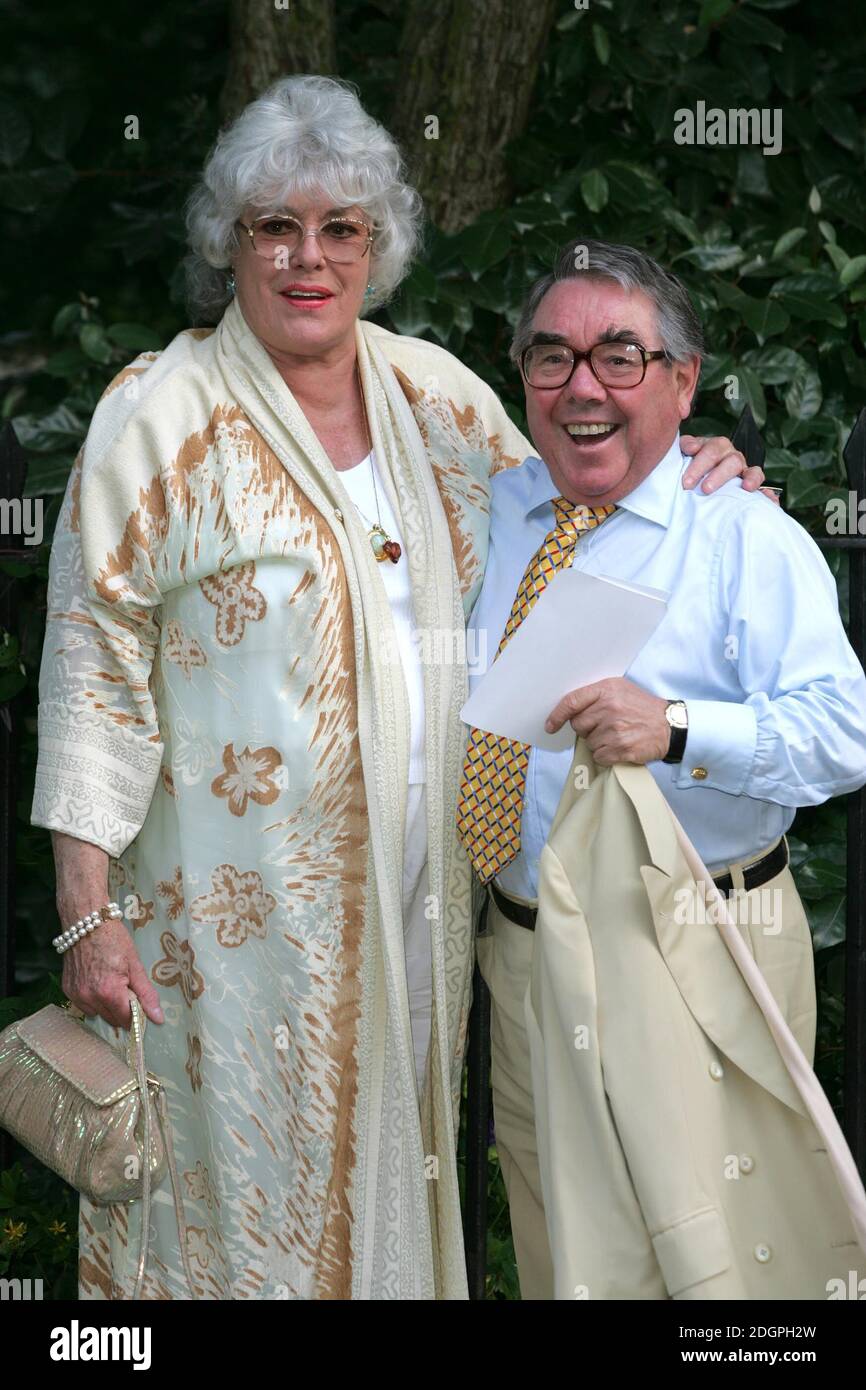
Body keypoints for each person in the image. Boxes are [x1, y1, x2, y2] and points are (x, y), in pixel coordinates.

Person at [30, 79, 759, 1301]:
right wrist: (84, 911)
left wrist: (684, 458)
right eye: (275, 226)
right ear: (232, 243)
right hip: (222, 927)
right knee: (234, 1203)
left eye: (341, 229)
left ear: (377, 247)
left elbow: (573, 512)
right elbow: (90, 661)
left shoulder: (435, 396)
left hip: (420, 904)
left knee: (394, 1180)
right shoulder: (156, 417)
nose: (307, 258)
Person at [460, 237, 866, 1299]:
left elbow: (844, 733)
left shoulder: (737, 534)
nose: (581, 387)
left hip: (701, 946)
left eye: (619, 357)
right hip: (527, 957)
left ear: (682, 380)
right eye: (550, 357)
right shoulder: (489, 513)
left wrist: (677, 725)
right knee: (568, 1265)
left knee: (723, 1266)